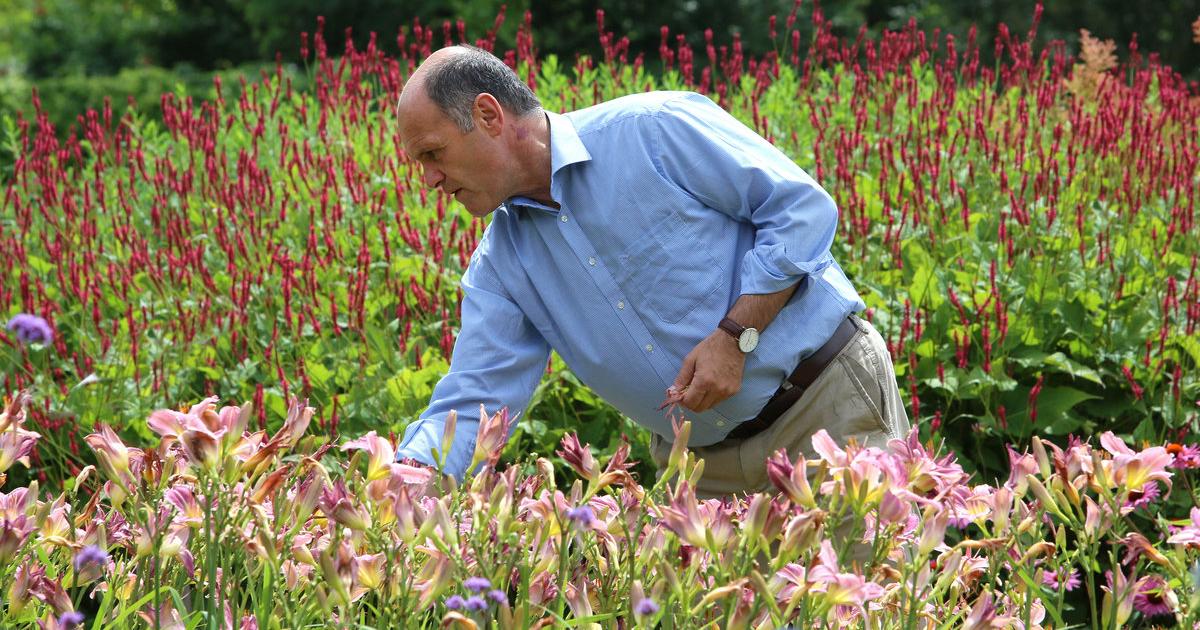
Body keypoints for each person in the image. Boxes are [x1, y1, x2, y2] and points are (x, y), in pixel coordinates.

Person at [392, 44, 909, 498]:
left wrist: (736, 336)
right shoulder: (501, 265)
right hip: (702, 474)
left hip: (825, 411)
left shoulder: (653, 130)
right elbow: (475, 396)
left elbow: (802, 211)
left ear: (488, 115)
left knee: (872, 582)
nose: (430, 179)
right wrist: (401, 483)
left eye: (434, 153)